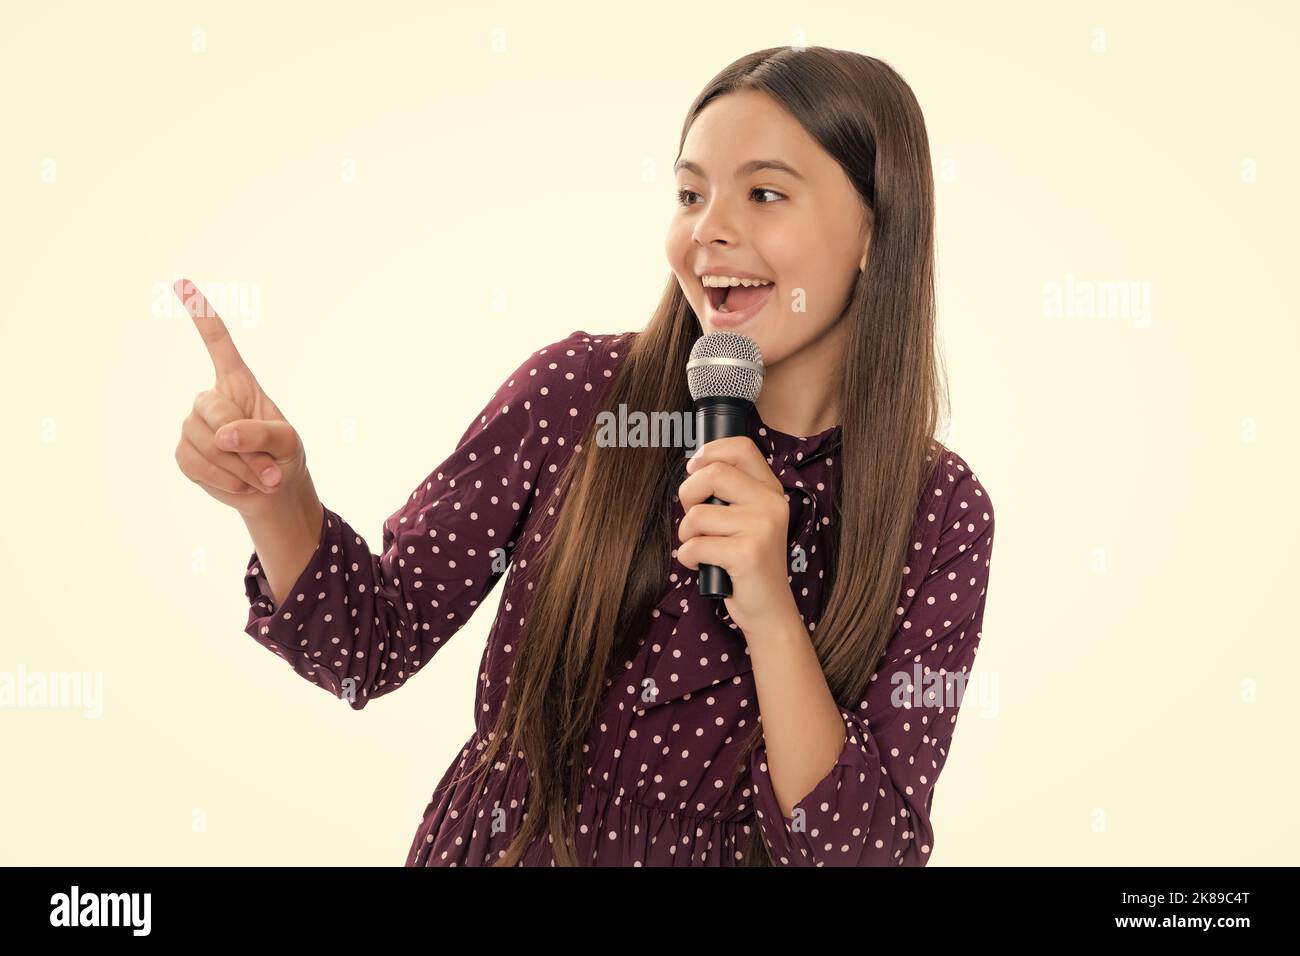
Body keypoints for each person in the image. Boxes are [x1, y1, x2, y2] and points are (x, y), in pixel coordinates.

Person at [173, 46, 995, 867]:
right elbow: (369, 648)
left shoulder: (940, 511)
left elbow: (864, 853)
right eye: (690, 193)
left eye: (764, 193)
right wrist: (275, 499)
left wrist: (771, 612)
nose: (710, 227)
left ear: (873, 231)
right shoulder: (580, 396)